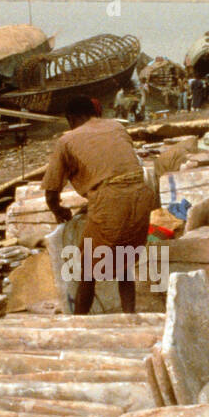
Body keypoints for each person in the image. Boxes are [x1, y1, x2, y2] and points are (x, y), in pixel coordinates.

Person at [43, 96, 157, 314]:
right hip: (141, 195)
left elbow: (51, 190)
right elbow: (115, 167)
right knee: (124, 262)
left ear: (71, 118)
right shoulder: (116, 127)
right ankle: (129, 317)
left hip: (111, 199)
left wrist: (58, 210)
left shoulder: (67, 141)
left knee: (87, 270)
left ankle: (79, 325)